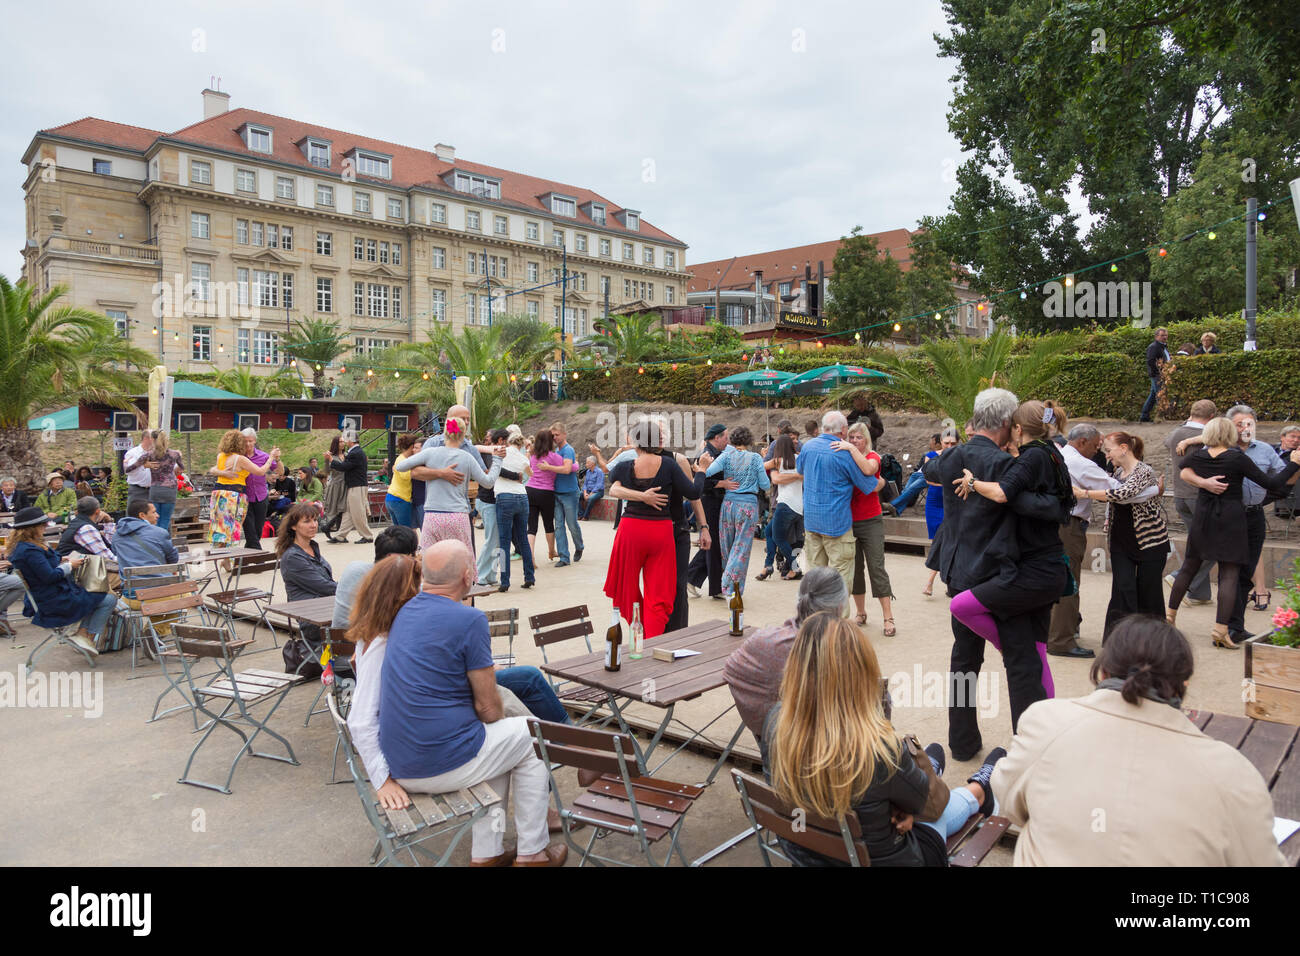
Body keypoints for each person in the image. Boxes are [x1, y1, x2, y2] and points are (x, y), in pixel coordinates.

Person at [991, 617, 1284, 866]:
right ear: (1184, 684)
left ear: (1102, 670)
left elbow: (1008, 805)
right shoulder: (1233, 773)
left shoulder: (1045, 722)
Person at [763, 611, 1007, 867]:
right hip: (890, 857)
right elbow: (929, 804)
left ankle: (932, 771)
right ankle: (978, 790)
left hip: (809, 855)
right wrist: (903, 807)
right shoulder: (878, 749)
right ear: (860, 674)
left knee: (907, 791)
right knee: (938, 812)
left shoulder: (775, 724)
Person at [381, 541, 567, 867]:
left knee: (501, 745)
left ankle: (487, 855)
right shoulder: (469, 619)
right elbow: (489, 708)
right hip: (439, 763)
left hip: (399, 764)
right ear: (468, 577)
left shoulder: (403, 611)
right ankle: (533, 854)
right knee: (532, 734)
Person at [925, 389, 1066, 760]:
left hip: (959, 573)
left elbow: (930, 471)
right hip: (999, 576)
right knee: (1020, 662)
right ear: (1006, 424)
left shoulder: (954, 455)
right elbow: (1049, 506)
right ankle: (1029, 747)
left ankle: (962, 742)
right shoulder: (1008, 466)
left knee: (963, 662)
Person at [338, 528, 574, 723]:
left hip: (409, 705)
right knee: (526, 688)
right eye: (416, 554)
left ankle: (566, 742)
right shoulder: (411, 609)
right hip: (436, 706)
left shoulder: (375, 597)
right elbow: (484, 705)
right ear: (407, 560)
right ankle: (570, 743)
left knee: (519, 689)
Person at [951, 399, 1073, 701]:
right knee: (1039, 653)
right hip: (1047, 564)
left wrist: (974, 481)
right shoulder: (1051, 454)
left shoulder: (1030, 458)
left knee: (963, 611)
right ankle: (1048, 720)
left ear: (1017, 429)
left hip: (1029, 569)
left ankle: (1006, 643)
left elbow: (1004, 493)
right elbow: (1057, 501)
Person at [1169, 415, 1300, 648]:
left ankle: (1169, 617)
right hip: (1231, 518)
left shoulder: (1199, 456)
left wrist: (1201, 480)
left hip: (1204, 516)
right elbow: (1272, 484)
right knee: (1229, 573)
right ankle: (1221, 629)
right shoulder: (1236, 458)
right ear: (1230, 433)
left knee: (1190, 565)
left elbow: (1183, 469)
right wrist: (1294, 463)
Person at [605, 419, 703, 638]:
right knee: (659, 592)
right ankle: (652, 639)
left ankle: (636, 627)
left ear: (636, 442)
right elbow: (694, 492)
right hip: (660, 531)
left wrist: (640, 496)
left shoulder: (624, 466)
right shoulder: (668, 465)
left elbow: (613, 485)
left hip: (631, 530)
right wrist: (702, 472)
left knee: (627, 586)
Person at [724, 566, 847, 739]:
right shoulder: (848, 650)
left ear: (799, 599)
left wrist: (766, 720)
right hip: (834, 752)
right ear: (840, 606)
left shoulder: (765, 642)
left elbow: (731, 670)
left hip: (776, 747)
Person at [1073, 432, 1170, 640]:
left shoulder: (1145, 471)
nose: (1107, 455)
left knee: (1149, 594)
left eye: (1109, 450)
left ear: (1124, 448)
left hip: (1149, 543)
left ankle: (1155, 644)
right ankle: (1117, 643)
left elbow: (1122, 495)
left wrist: (1084, 493)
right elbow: (1114, 497)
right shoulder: (1117, 474)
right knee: (1122, 591)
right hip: (1120, 542)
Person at [6, 506, 118, 656]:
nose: (46, 527)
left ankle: (84, 636)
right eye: (43, 524)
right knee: (109, 599)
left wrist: (61, 558)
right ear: (31, 529)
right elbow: (49, 576)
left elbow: (42, 566)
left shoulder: (25, 547)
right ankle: (86, 636)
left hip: (51, 594)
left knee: (100, 594)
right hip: (53, 600)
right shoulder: (29, 550)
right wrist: (69, 566)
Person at [795, 411, 881, 595]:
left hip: (812, 522)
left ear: (823, 427)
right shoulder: (843, 452)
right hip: (837, 524)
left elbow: (800, 470)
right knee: (839, 580)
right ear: (843, 430)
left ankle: (815, 620)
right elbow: (869, 485)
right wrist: (881, 482)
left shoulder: (808, 446)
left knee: (815, 578)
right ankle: (836, 622)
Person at [395, 417, 502, 552]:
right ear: (463, 435)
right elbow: (488, 482)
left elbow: (401, 467)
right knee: (462, 560)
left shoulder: (430, 452)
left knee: (429, 560)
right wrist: (497, 459)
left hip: (433, 516)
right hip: (458, 516)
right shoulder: (466, 457)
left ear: (444, 433)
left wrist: (437, 472)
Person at [838, 422, 895, 635]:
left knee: (877, 568)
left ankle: (888, 617)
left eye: (858, 438)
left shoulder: (873, 457)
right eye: (851, 437)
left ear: (866, 440)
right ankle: (860, 613)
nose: (854, 441)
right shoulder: (844, 457)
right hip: (848, 521)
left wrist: (851, 449)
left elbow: (870, 471)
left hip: (871, 520)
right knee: (855, 570)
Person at [1162, 399, 1218, 607]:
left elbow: (1167, 443)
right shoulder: (1210, 435)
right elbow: (1224, 439)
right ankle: (1181, 578)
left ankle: (1199, 593)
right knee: (1214, 545)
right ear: (1212, 417)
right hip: (1200, 495)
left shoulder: (1177, 433)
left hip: (1180, 495)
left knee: (1198, 543)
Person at [704, 425, 770, 598]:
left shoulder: (726, 455)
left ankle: (728, 585)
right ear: (749, 440)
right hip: (747, 505)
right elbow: (765, 485)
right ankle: (731, 586)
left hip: (728, 504)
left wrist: (723, 482)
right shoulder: (755, 458)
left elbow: (708, 472)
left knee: (727, 547)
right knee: (741, 548)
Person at [276, 502, 335, 649]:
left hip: (327, 606)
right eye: (307, 521)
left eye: (315, 520)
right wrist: (355, 590)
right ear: (294, 526)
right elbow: (323, 586)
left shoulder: (313, 547)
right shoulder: (292, 557)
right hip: (312, 616)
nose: (313, 525)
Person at [207, 429, 280, 547]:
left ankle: (222, 554)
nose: (246, 444)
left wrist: (223, 473)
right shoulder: (240, 458)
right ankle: (256, 558)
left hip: (220, 493)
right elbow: (261, 471)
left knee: (221, 528)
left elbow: (212, 469)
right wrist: (271, 457)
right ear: (239, 443)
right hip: (235, 494)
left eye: (250, 441)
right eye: (244, 441)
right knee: (234, 529)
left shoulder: (221, 456)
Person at [686, 424, 733, 599]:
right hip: (709, 503)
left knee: (714, 544)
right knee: (714, 545)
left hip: (716, 502)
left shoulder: (718, 454)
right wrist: (723, 484)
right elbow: (700, 481)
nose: (727, 441)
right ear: (716, 438)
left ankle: (692, 578)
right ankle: (715, 587)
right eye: (725, 437)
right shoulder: (706, 455)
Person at [492, 426, 534, 593]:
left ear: (508, 441)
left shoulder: (502, 452)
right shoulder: (524, 458)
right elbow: (530, 474)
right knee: (523, 538)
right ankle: (529, 576)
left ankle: (504, 580)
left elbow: (495, 469)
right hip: (522, 497)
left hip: (504, 496)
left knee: (504, 539)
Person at [757, 435, 802, 582]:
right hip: (799, 506)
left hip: (784, 504)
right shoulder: (800, 458)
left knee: (778, 537)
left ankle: (795, 567)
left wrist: (764, 456)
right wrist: (796, 475)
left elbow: (761, 467)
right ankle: (768, 565)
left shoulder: (778, 461)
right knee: (770, 531)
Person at [920, 430, 959, 597]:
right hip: (934, 502)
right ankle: (945, 577)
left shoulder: (960, 457)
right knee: (935, 541)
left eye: (953, 443)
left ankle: (930, 582)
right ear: (940, 442)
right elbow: (928, 479)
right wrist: (949, 482)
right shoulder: (931, 456)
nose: (949, 446)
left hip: (950, 502)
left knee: (943, 541)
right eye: (946, 443)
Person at [524, 428, 566, 563]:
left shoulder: (533, 456)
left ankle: (530, 555)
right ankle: (551, 551)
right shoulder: (555, 457)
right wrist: (575, 464)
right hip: (546, 492)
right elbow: (569, 468)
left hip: (530, 490)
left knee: (531, 526)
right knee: (548, 523)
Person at [325, 430, 372, 544]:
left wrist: (331, 460)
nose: (345, 441)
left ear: (350, 440)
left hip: (357, 486)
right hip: (355, 485)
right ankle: (340, 536)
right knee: (349, 512)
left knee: (358, 511)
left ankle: (367, 536)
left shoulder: (355, 453)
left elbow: (344, 467)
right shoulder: (356, 452)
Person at [111, 499, 179, 575]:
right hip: (161, 581)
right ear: (142, 515)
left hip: (131, 585)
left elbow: (115, 554)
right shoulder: (159, 532)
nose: (157, 515)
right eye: (153, 512)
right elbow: (173, 558)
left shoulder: (116, 536)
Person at [550, 423, 584, 566]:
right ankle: (564, 556)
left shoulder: (568, 450)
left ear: (564, 434)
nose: (555, 437)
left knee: (571, 524)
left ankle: (579, 546)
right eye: (553, 435)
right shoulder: (555, 451)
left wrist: (548, 467)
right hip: (556, 492)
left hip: (569, 493)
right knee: (558, 525)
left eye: (557, 434)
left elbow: (567, 469)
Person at [142, 430, 185, 532]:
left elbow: (138, 465)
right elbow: (181, 468)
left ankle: (154, 542)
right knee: (165, 520)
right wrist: (173, 472)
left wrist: (148, 465)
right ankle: (162, 541)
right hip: (170, 489)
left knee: (154, 519)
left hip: (155, 488)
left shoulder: (150, 454)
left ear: (152, 439)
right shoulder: (174, 454)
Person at [383, 433, 419, 530]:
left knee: (398, 530)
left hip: (391, 497)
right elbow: (406, 476)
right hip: (400, 499)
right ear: (411, 447)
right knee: (405, 530)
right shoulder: (404, 461)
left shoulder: (400, 458)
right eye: (415, 447)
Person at [1139, 327, 1170, 422]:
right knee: (1159, 395)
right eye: (1162, 335)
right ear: (1156, 336)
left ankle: (1144, 415)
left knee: (1153, 395)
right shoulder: (1154, 347)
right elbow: (1150, 361)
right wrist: (1158, 372)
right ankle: (1161, 415)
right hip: (1157, 375)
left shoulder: (1163, 346)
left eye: (1165, 335)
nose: (1164, 337)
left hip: (1162, 374)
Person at [122, 430, 155, 513]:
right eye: (154, 438)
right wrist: (143, 466)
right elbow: (129, 471)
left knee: (153, 516)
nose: (155, 441)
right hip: (137, 489)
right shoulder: (133, 453)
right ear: (146, 439)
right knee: (133, 514)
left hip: (154, 490)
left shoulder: (156, 453)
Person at [320, 436, 347, 535]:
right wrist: (327, 460)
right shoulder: (332, 457)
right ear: (336, 443)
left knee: (343, 509)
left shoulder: (347, 455)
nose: (343, 443)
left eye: (343, 441)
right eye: (340, 442)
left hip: (346, 485)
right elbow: (326, 471)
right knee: (335, 509)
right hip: (336, 485)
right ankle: (333, 529)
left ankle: (332, 529)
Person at [578, 455, 604, 519]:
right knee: (575, 496)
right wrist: (585, 493)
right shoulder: (588, 471)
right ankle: (581, 514)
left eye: (587, 462)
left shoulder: (599, 471)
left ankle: (585, 516)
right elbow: (585, 484)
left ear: (592, 463)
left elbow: (599, 485)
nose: (586, 464)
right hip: (588, 491)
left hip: (598, 491)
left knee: (591, 498)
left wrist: (591, 494)